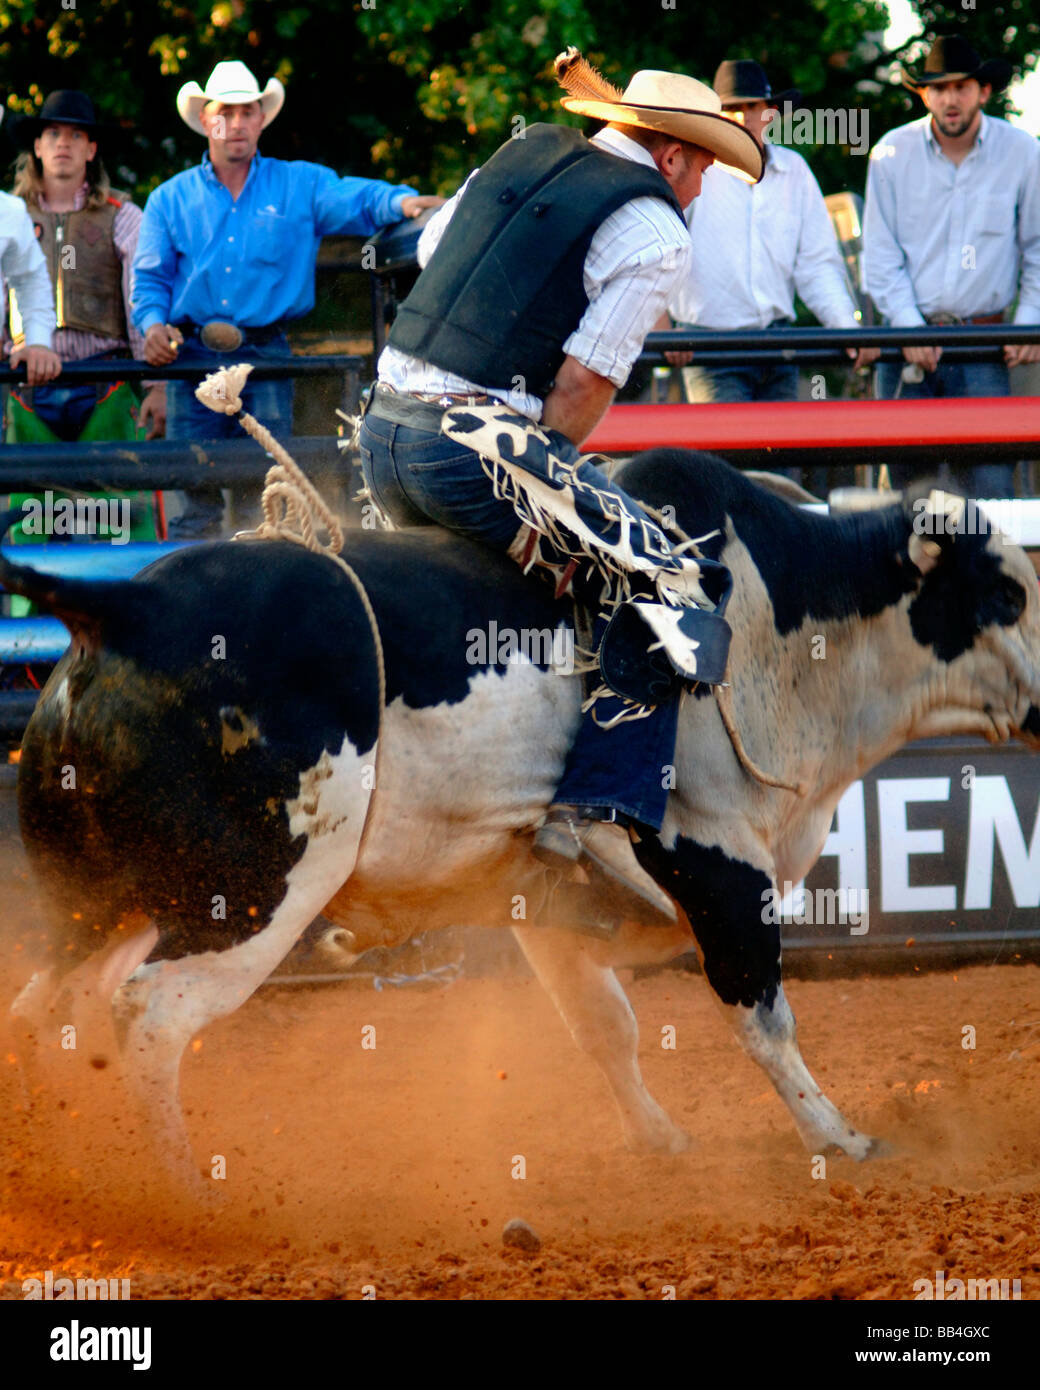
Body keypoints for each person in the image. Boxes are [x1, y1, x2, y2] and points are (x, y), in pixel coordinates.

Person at [359, 51, 764, 924]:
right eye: (706, 173)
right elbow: (582, 390)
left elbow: (431, 250)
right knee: (679, 579)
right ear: (672, 157)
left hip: (382, 431)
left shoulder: (513, 155)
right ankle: (599, 809)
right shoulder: (656, 233)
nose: (701, 192)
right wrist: (549, 470)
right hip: (471, 451)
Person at [133, 60, 443, 537]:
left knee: (267, 490)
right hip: (191, 358)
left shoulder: (299, 185)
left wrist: (402, 202)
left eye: (246, 112)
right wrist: (153, 326)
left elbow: (355, 198)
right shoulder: (169, 200)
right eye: (225, 112)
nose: (236, 123)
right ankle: (199, 598)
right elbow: (149, 281)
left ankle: (260, 596)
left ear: (260, 119)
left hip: (266, 355)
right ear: (206, 121)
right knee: (194, 495)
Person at [863, 34, 1040, 497]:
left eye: (962, 87)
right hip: (905, 346)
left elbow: (1037, 248)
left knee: (990, 491)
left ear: (983, 91)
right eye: (939, 88)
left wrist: (1028, 323)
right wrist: (908, 327)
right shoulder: (889, 154)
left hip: (984, 342)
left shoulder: (1024, 152)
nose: (950, 99)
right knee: (903, 503)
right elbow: (880, 256)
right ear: (924, 94)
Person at [666, 59, 877, 405]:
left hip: (779, 347)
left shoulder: (795, 171)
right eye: (731, 108)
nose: (741, 118)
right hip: (709, 346)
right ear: (715, 116)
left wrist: (846, 327)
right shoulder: (693, 170)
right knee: (728, 455)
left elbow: (817, 264)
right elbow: (663, 250)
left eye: (751, 106)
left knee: (778, 456)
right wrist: (660, 320)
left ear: (770, 114)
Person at [7, 90, 165, 447]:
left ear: (91, 150)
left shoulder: (122, 218)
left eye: (76, 135)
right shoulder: (10, 219)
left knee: (113, 501)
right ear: (37, 146)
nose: (63, 144)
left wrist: (157, 387)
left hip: (104, 381)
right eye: (53, 134)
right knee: (33, 501)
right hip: (26, 383)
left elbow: (139, 301)